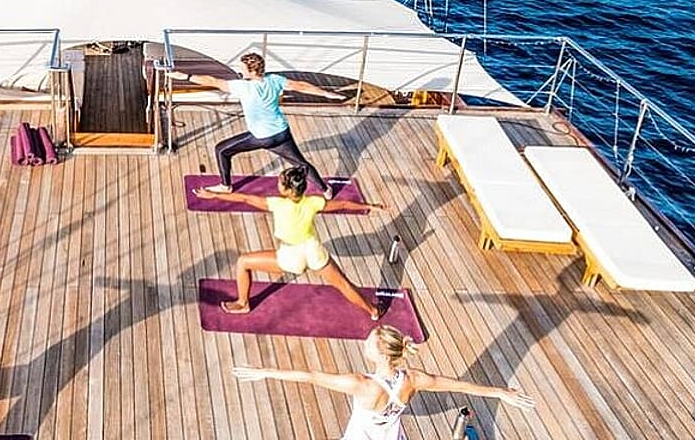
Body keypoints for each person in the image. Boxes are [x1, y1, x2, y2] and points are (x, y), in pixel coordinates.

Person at [233, 325, 536, 440]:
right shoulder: (413, 379)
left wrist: (265, 371)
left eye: (368, 342)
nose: (363, 343)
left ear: (380, 353)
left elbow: (310, 377)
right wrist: (500, 392)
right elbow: (459, 385)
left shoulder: (361, 384)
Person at [194, 166, 383, 318]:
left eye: (279, 182)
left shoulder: (276, 203)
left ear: (287, 189)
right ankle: (373, 311)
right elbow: (343, 204)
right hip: (314, 251)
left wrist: (214, 195)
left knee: (243, 262)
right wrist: (370, 206)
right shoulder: (313, 202)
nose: (277, 184)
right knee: (344, 284)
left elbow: (244, 198)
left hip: (291, 257)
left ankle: (243, 303)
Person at [172, 51, 349, 195]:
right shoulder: (275, 80)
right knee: (301, 164)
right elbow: (300, 85)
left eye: (242, 68)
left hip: (263, 137)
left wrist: (185, 76)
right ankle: (326, 190)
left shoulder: (242, 86)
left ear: (251, 71)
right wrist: (327, 93)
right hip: (282, 132)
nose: (240, 71)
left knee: (221, 150)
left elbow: (212, 81)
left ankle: (226, 186)